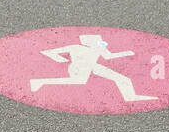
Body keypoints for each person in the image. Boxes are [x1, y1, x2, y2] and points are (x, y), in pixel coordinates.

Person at [28, 34, 156, 102]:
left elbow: (108, 57)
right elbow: (49, 52)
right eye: (98, 41)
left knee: (122, 78)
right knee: (78, 81)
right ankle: (40, 81)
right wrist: (61, 59)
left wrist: (125, 53)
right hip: (79, 67)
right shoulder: (76, 47)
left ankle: (131, 96)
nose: (100, 43)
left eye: (99, 41)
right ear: (88, 41)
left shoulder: (98, 49)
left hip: (93, 66)